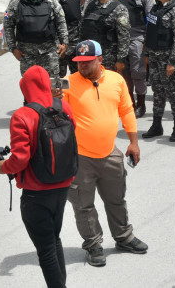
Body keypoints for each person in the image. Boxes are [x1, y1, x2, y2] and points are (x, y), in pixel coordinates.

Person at [63, 40, 148, 267]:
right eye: (79, 62)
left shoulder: (117, 80)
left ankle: (124, 238)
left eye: (87, 62)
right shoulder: (67, 83)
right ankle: (93, 244)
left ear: (100, 60)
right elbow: (54, 113)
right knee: (83, 205)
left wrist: (133, 142)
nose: (82, 66)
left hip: (110, 153)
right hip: (80, 157)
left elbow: (127, 110)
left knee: (116, 200)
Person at [0, 65, 77, 288]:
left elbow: (20, 159)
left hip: (36, 193)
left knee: (46, 249)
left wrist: (3, 166)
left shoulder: (22, 115)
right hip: (62, 185)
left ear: (26, 88)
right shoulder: (64, 106)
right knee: (54, 239)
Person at [142, 0, 175, 141]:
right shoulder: (156, 7)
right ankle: (156, 125)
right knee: (157, 92)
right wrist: (147, 54)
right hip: (154, 57)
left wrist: (173, 63)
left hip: (168, 60)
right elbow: (150, 32)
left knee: (173, 93)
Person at [4, 0, 69, 81]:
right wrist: (13, 48)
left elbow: (60, 20)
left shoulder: (51, 0)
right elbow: (8, 26)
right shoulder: (15, 4)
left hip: (49, 52)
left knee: (52, 87)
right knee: (30, 88)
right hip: (27, 54)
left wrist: (64, 42)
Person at [113, 0, 154, 117]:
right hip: (119, 38)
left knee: (137, 72)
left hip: (138, 37)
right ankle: (129, 102)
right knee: (123, 73)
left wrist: (146, 44)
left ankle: (141, 104)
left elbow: (151, 20)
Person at [46, 0, 83, 79]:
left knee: (78, 76)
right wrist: (60, 42)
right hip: (62, 43)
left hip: (77, 40)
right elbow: (52, 20)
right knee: (59, 78)